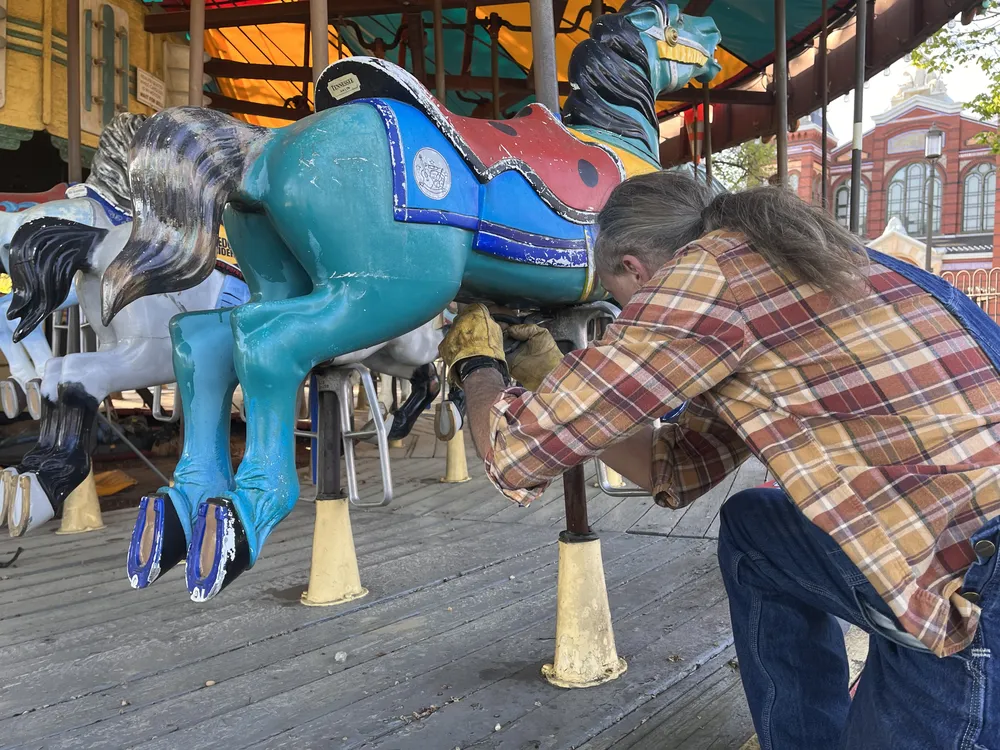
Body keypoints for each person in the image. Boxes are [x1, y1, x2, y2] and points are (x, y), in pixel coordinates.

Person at [438, 171, 1000, 749]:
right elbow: (677, 469)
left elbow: (513, 456)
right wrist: (556, 379)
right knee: (756, 531)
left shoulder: (708, 276)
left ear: (635, 268)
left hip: (970, 578)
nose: (628, 318)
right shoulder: (817, 260)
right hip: (959, 530)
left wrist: (477, 369)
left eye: (622, 302)